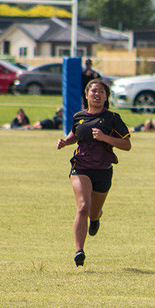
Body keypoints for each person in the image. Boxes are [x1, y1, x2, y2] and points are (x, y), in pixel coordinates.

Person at [56, 79, 131, 267]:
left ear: (106, 97)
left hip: (103, 169)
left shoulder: (112, 118)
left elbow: (127, 145)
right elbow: (75, 135)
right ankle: (79, 251)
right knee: (83, 207)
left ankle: (96, 219)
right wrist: (65, 142)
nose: (97, 94)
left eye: (101, 92)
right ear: (87, 94)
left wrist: (105, 137)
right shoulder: (78, 116)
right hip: (81, 166)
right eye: (94, 91)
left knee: (93, 212)